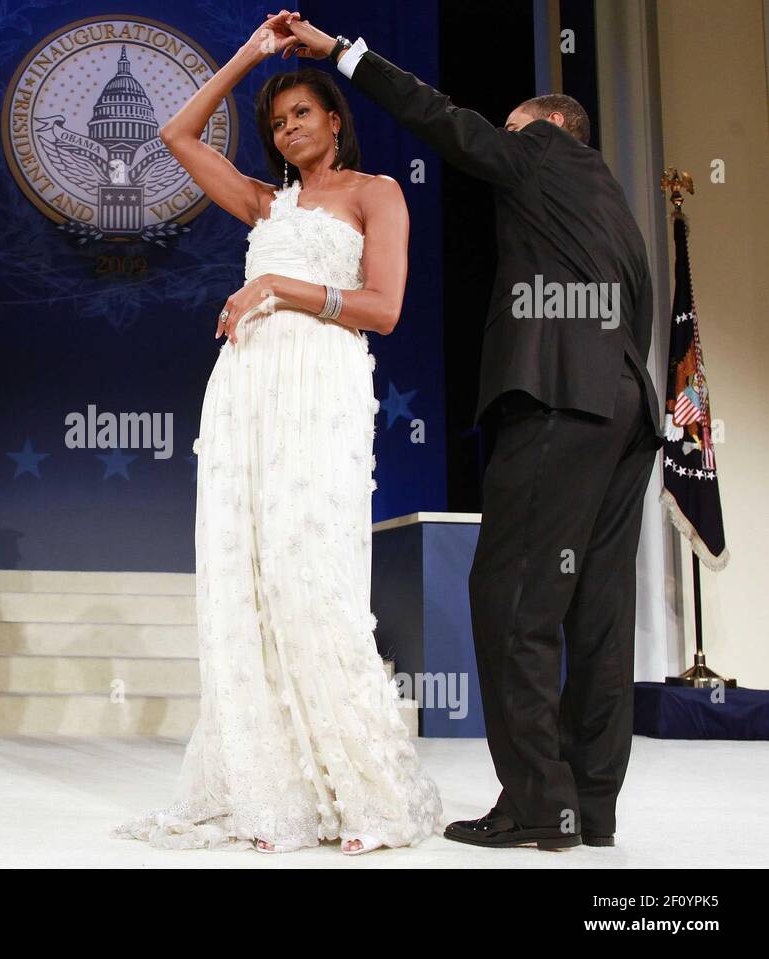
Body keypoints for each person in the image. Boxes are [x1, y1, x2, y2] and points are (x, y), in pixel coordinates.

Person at [281, 14, 663, 849]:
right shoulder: (614, 206)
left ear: (548, 129)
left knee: (513, 601)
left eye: (515, 129)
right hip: (628, 414)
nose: (505, 144)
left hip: (558, 401)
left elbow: (444, 121)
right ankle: (588, 807)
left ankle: (535, 804)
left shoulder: (543, 152)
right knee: (599, 613)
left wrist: (346, 54)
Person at [112, 13, 442, 854]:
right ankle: (274, 794)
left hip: (322, 389)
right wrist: (250, 57)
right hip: (246, 393)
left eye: (302, 113)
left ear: (335, 119)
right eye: (277, 121)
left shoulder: (377, 194)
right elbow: (175, 132)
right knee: (246, 581)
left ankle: (366, 796)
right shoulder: (265, 203)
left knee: (311, 576)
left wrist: (284, 290)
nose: (289, 129)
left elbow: (386, 309)